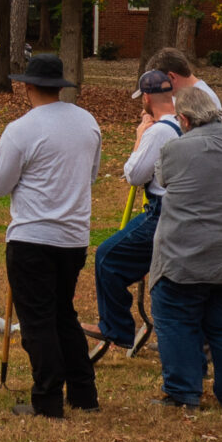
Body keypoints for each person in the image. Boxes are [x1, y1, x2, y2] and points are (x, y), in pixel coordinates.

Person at [0, 52, 103, 419]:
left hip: (32, 237)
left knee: (38, 322)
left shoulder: (22, 129)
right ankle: (83, 393)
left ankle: (48, 399)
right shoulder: (87, 123)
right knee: (62, 315)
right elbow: (92, 175)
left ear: (27, 86)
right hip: (73, 237)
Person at [151, 87, 222, 412]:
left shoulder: (174, 149)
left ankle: (182, 393)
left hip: (188, 256)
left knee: (175, 317)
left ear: (184, 120)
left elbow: (161, 180)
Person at [84, 68, 178, 350]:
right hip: (181, 209)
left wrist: (140, 136)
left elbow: (134, 175)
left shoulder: (158, 131)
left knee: (107, 258)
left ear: (147, 97)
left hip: (162, 213)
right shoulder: (184, 122)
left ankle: (116, 328)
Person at [146, 48, 220, 115]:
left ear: (171, 77)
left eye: (159, 83)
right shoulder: (182, 95)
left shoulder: (202, 100)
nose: (160, 90)